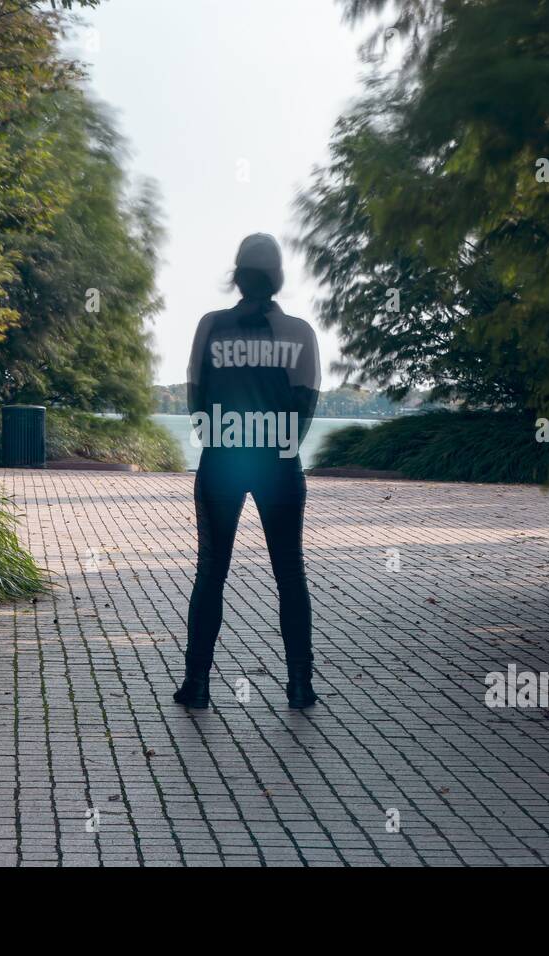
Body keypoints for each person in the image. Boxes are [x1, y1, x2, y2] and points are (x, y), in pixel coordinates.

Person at [174, 233, 321, 710]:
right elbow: (306, 404)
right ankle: (300, 686)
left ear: (236, 275)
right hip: (278, 462)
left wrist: (218, 439)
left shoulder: (212, 326)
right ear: (278, 278)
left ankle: (197, 685)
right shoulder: (300, 333)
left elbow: (195, 395)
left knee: (211, 573)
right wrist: (279, 445)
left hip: (222, 461)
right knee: (290, 573)